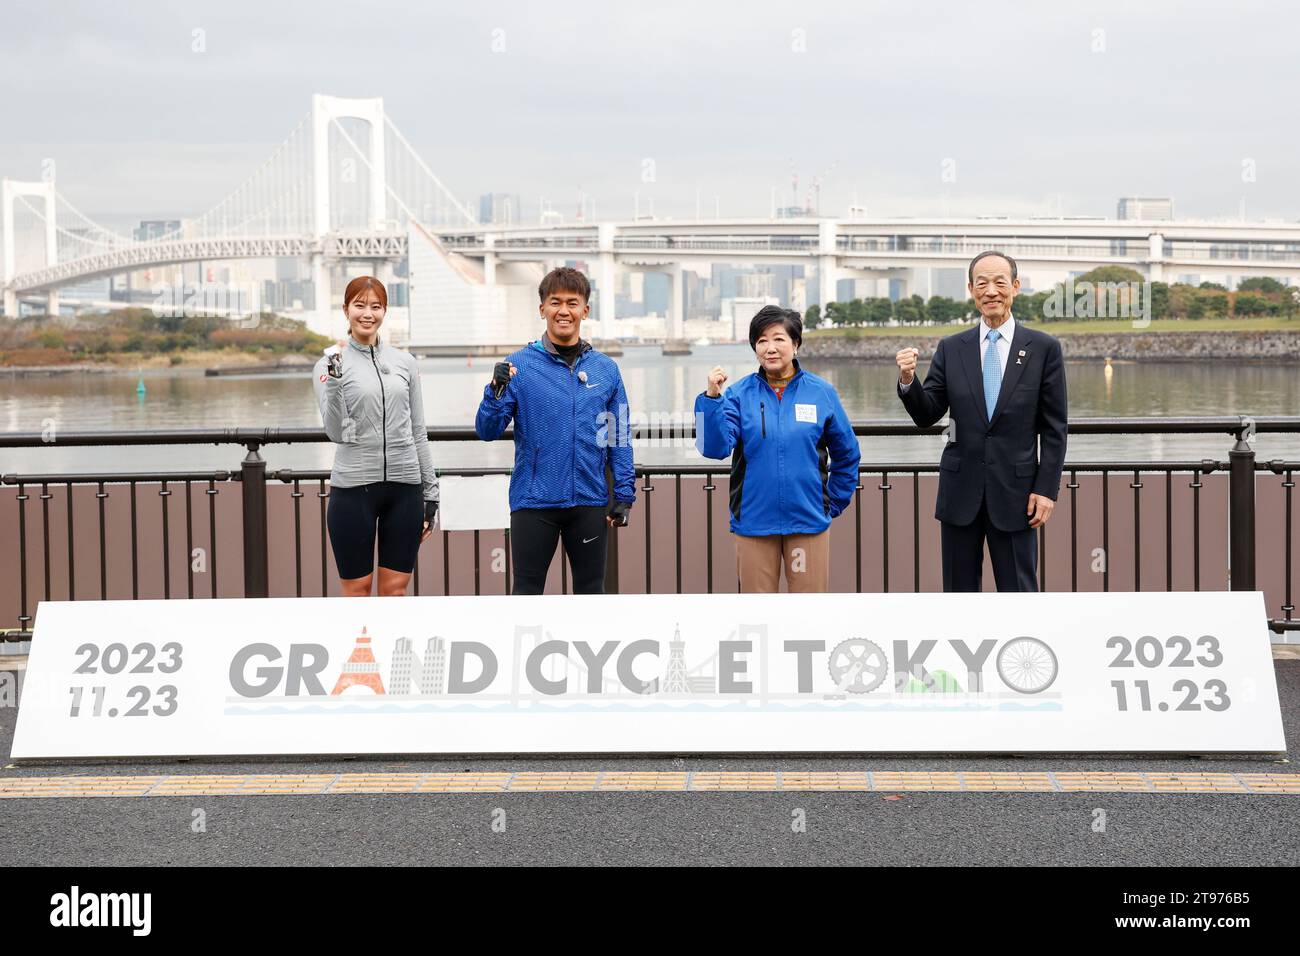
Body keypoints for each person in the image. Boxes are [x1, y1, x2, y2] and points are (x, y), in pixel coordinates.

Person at [895, 250, 1067, 592]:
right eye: (982, 283)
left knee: (1018, 591)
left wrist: (1045, 490)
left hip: (1017, 496)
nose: (991, 291)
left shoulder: (1044, 348)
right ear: (971, 290)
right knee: (959, 595)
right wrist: (907, 380)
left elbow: (1054, 428)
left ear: (1015, 287)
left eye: (1000, 282)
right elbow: (928, 414)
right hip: (960, 494)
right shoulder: (951, 348)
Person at [475, 266, 635, 594]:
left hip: (589, 501)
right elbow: (487, 430)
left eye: (572, 303)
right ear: (542, 309)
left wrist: (623, 493)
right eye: (555, 302)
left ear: (585, 310)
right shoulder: (519, 365)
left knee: (591, 593)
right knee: (526, 592)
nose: (564, 310)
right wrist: (495, 389)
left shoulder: (606, 369)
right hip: (534, 502)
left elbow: (618, 435)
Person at [694, 305, 860, 593]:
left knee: (808, 611)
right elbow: (715, 448)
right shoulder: (737, 394)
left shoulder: (821, 392)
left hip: (807, 522)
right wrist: (712, 399)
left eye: (779, 339)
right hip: (755, 523)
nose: (770, 348)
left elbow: (847, 453)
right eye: (761, 341)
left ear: (795, 344)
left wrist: (831, 501)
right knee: (759, 615)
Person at [313, 275, 438, 597]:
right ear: (345, 310)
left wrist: (431, 494)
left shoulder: (404, 362)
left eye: (376, 306)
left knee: (395, 592)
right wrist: (338, 382)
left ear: (384, 311)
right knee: (357, 592)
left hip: (405, 489)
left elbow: (418, 430)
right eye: (359, 305)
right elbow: (335, 432)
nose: (367, 313)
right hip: (354, 489)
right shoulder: (328, 364)